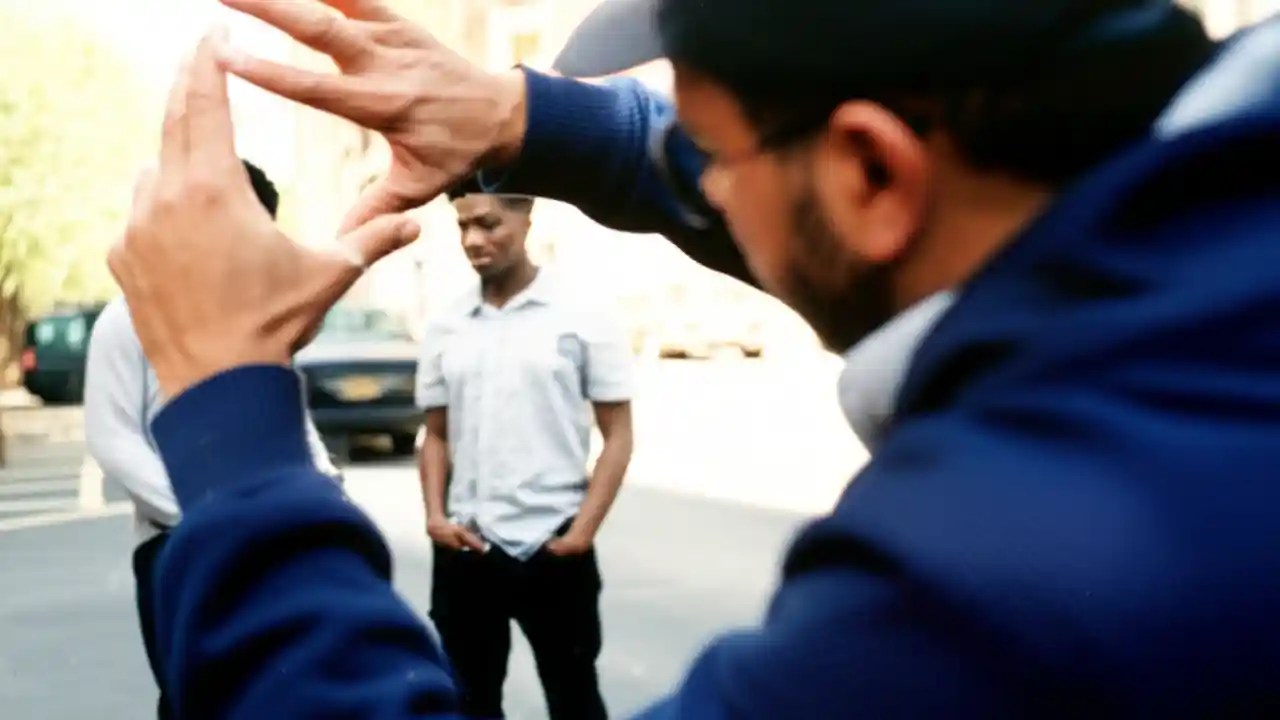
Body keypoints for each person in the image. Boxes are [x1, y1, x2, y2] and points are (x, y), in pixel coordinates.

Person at [108, 0, 1280, 716]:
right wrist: (527, 120)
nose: (694, 187)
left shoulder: (999, 580)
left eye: (709, 155)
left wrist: (228, 411)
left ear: (871, 175)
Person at [82, 159, 339, 720]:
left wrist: (325, 481)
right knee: (194, 702)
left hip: (274, 539)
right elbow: (112, 438)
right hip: (178, 545)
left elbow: (281, 405)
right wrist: (203, 519)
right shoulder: (126, 319)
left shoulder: (254, 315)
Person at [417, 184, 633, 719]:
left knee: (574, 697)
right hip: (468, 546)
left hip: (553, 543)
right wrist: (435, 518)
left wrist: (582, 533)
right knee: (467, 700)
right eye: (463, 226)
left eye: (488, 223)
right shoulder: (447, 323)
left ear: (527, 218)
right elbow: (436, 434)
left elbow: (618, 435)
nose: (473, 239)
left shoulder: (579, 314)